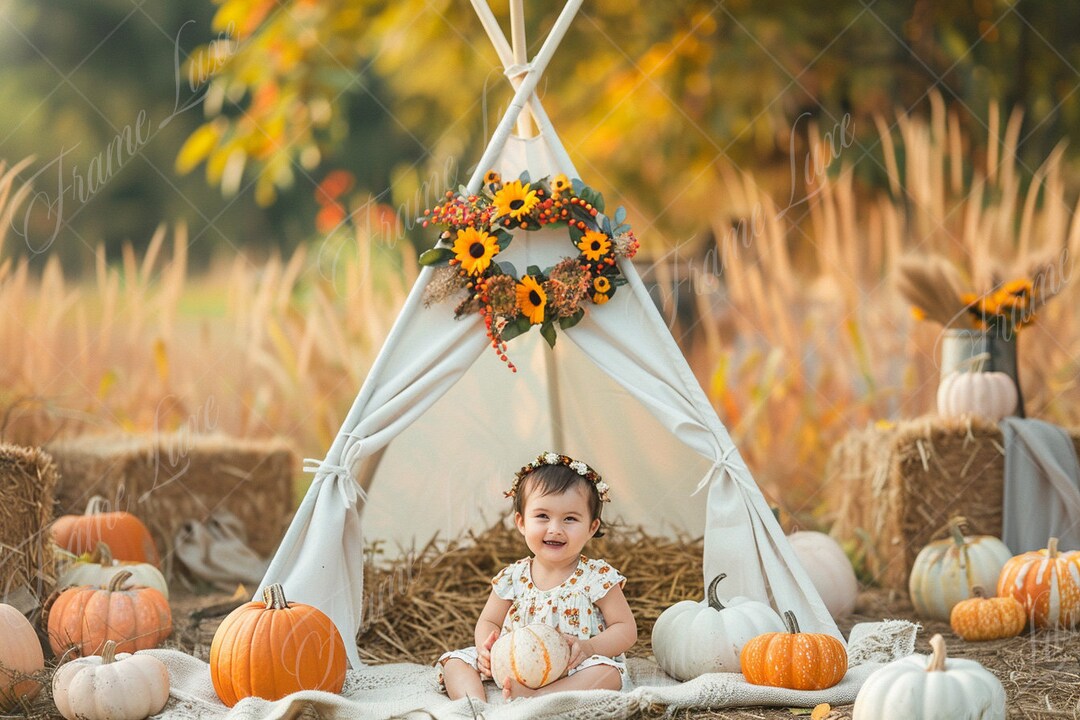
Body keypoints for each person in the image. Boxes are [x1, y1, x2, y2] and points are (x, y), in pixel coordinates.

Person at [437, 452, 636, 701]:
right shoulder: (513, 576)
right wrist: (486, 649)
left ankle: (542, 696)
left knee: (608, 673)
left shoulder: (597, 577)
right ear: (521, 522)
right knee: (455, 661)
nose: (555, 529)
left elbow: (625, 629)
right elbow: (488, 620)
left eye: (570, 519)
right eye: (542, 516)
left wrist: (589, 647)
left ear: (591, 527)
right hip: (513, 665)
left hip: (572, 667)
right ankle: (474, 707)